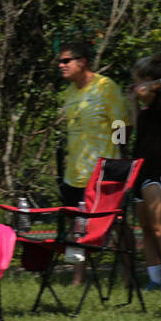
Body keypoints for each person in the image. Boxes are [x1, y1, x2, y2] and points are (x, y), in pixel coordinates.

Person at [57, 40, 129, 284]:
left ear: (82, 62)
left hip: (103, 173)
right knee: (76, 227)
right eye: (60, 61)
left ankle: (129, 276)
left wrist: (120, 162)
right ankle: (78, 279)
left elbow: (121, 125)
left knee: (116, 224)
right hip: (74, 174)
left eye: (66, 60)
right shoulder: (69, 93)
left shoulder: (105, 87)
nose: (61, 65)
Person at [128, 54, 161, 292]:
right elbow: (132, 125)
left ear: (148, 81)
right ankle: (155, 279)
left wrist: (149, 86)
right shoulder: (148, 110)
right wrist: (132, 101)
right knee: (147, 230)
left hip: (159, 172)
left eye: (138, 81)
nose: (136, 87)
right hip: (140, 171)